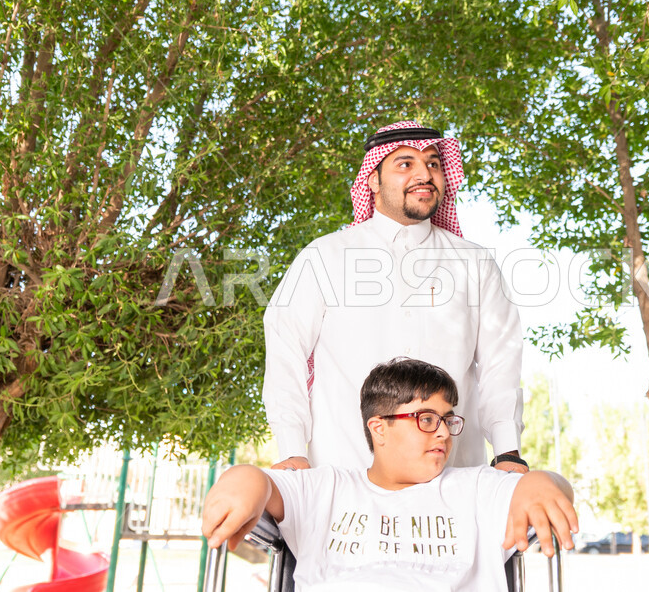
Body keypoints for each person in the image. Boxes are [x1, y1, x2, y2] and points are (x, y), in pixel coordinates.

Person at [264, 120, 526, 473]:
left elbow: (500, 363)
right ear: (372, 179)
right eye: (405, 164)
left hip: (454, 478)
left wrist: (508, 451)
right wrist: (292, 447)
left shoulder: (475, 263)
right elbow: (286, 350)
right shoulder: (325, 255)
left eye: (433, 163)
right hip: (346, 474)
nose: (425, 174)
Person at [203, 358, 577, 592]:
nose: (444, 432)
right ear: (378, 428)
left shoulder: (476, 488)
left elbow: (547, 487)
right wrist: (244, 479)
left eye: (448, 419)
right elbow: (264, 483)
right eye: (427, 419)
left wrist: (541, 483)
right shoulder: (327, 488)